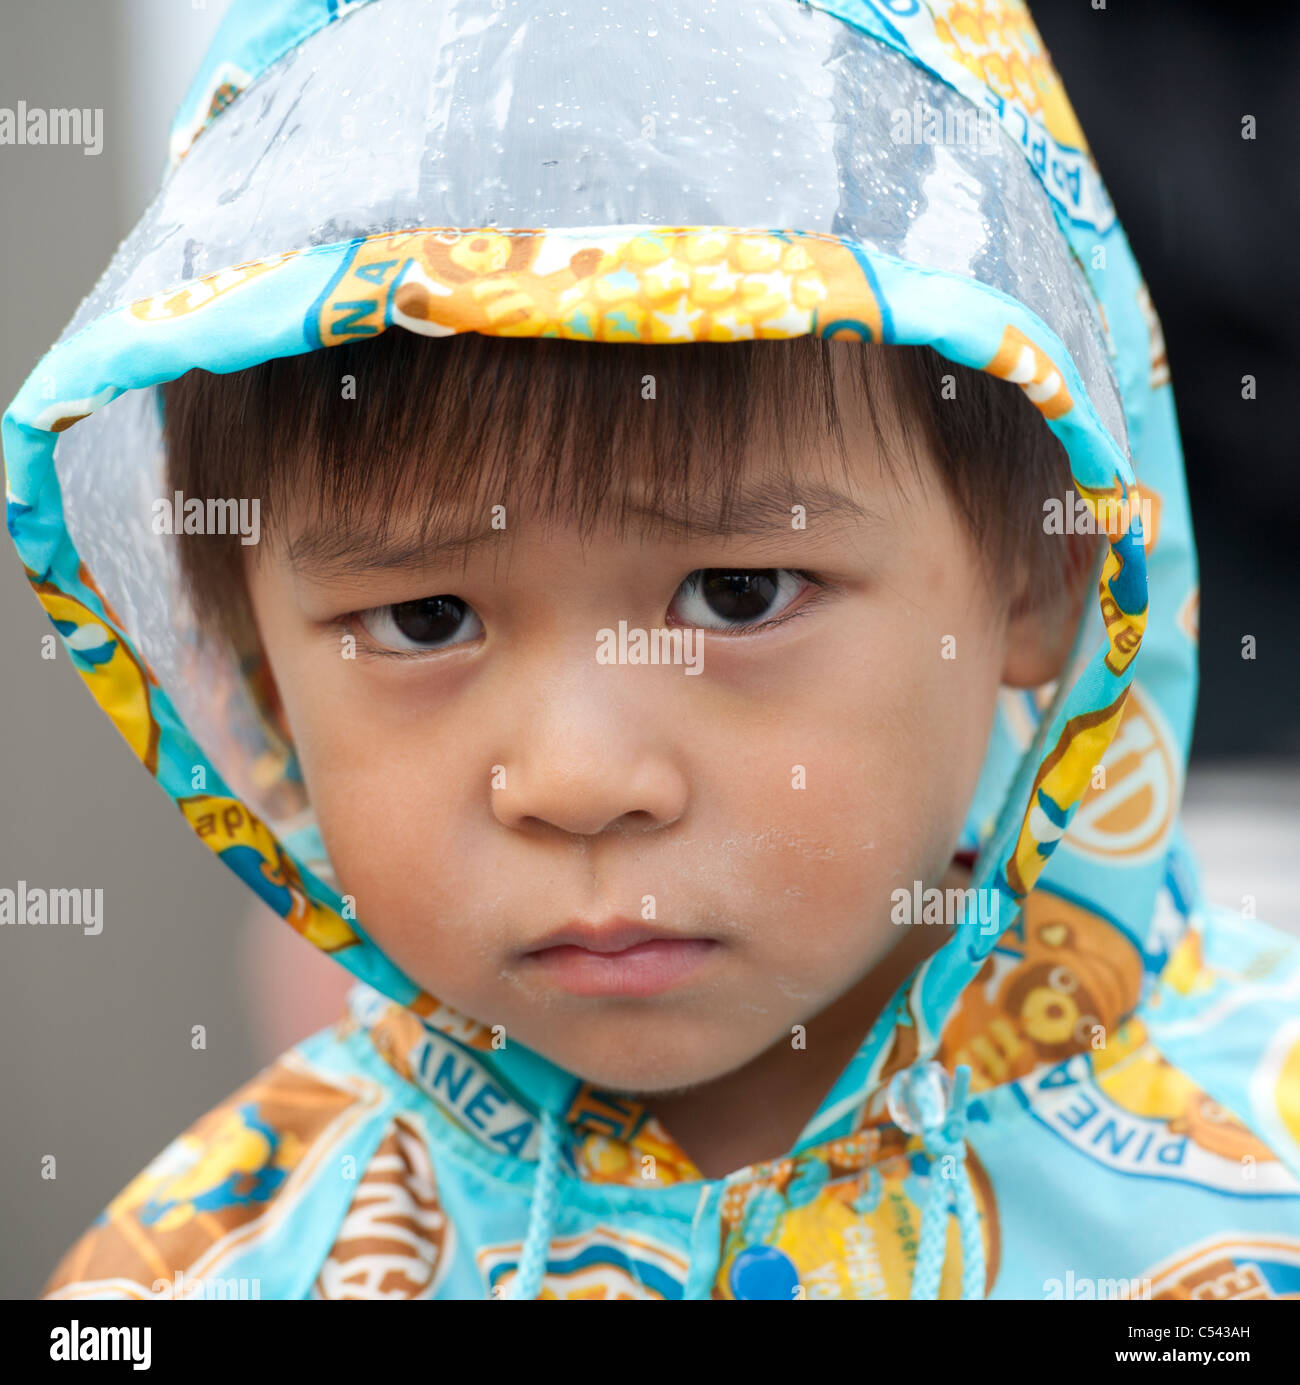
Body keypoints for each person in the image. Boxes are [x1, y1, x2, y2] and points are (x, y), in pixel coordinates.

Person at [10, 0, 1299, 1301]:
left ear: (1041, 575)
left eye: (737, 593)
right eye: (425, 619)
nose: (578, 779)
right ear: (258, 670)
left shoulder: (1258, 1190)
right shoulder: (208, 1273)